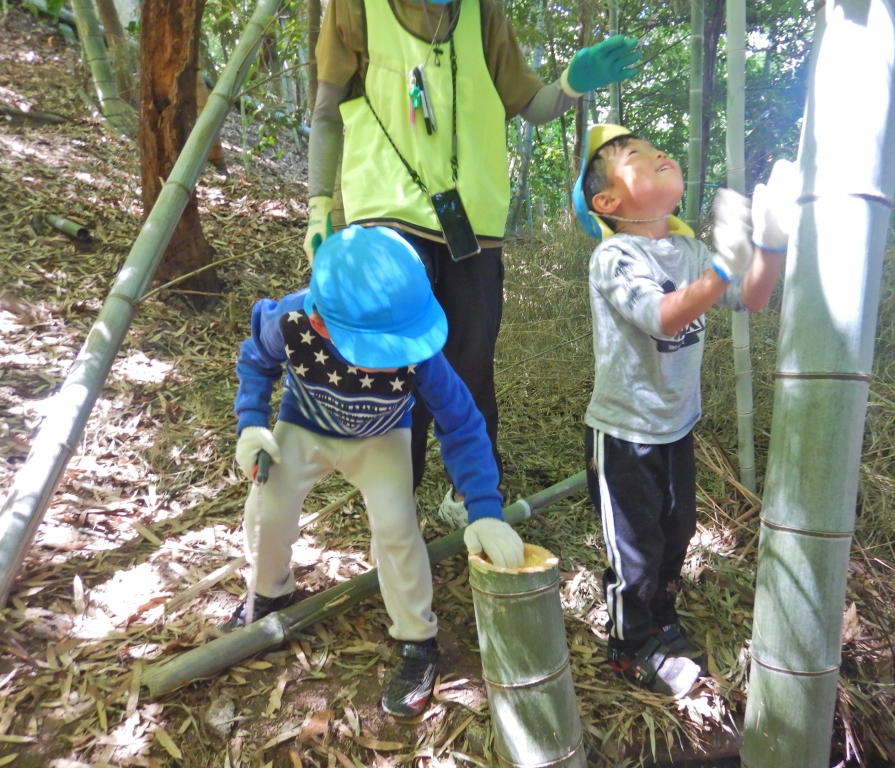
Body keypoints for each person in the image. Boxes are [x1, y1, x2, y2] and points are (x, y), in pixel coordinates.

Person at [305, 0, 643, 524]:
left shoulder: (482, 13)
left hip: (473, 226)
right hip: (386, 215)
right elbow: (327, 112)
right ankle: (394, 501)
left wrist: (573, 83)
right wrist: (318, 205)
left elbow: (534, 103)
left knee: (470, 364)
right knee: (394, 364)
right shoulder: (355, 8)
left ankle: (473, 498)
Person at [226, 224, 525, 718]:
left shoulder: (419, 347)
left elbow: (462, 423)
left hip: (383, 436)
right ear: (322, 325)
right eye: (382, 351)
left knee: (397, 529)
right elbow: (257, 361)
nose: (396, 360)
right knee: (267, 508)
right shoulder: (291, 319)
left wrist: (484, 510)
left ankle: (417, 639)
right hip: (305, 426)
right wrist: (252, 424)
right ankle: (269, 592)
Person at [574, 123, 795, 696]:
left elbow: (752, 297)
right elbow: (663, 317)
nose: (660, 155)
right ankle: (628, 646)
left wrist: (769, 245)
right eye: (639, 158)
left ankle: (659, 616)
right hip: (624, 432)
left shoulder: (690, 248)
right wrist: (724, 262)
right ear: (608, 202)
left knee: (677, 532)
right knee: (635, 550)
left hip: (677, 424)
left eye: (659, 150)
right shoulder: (614, 255)